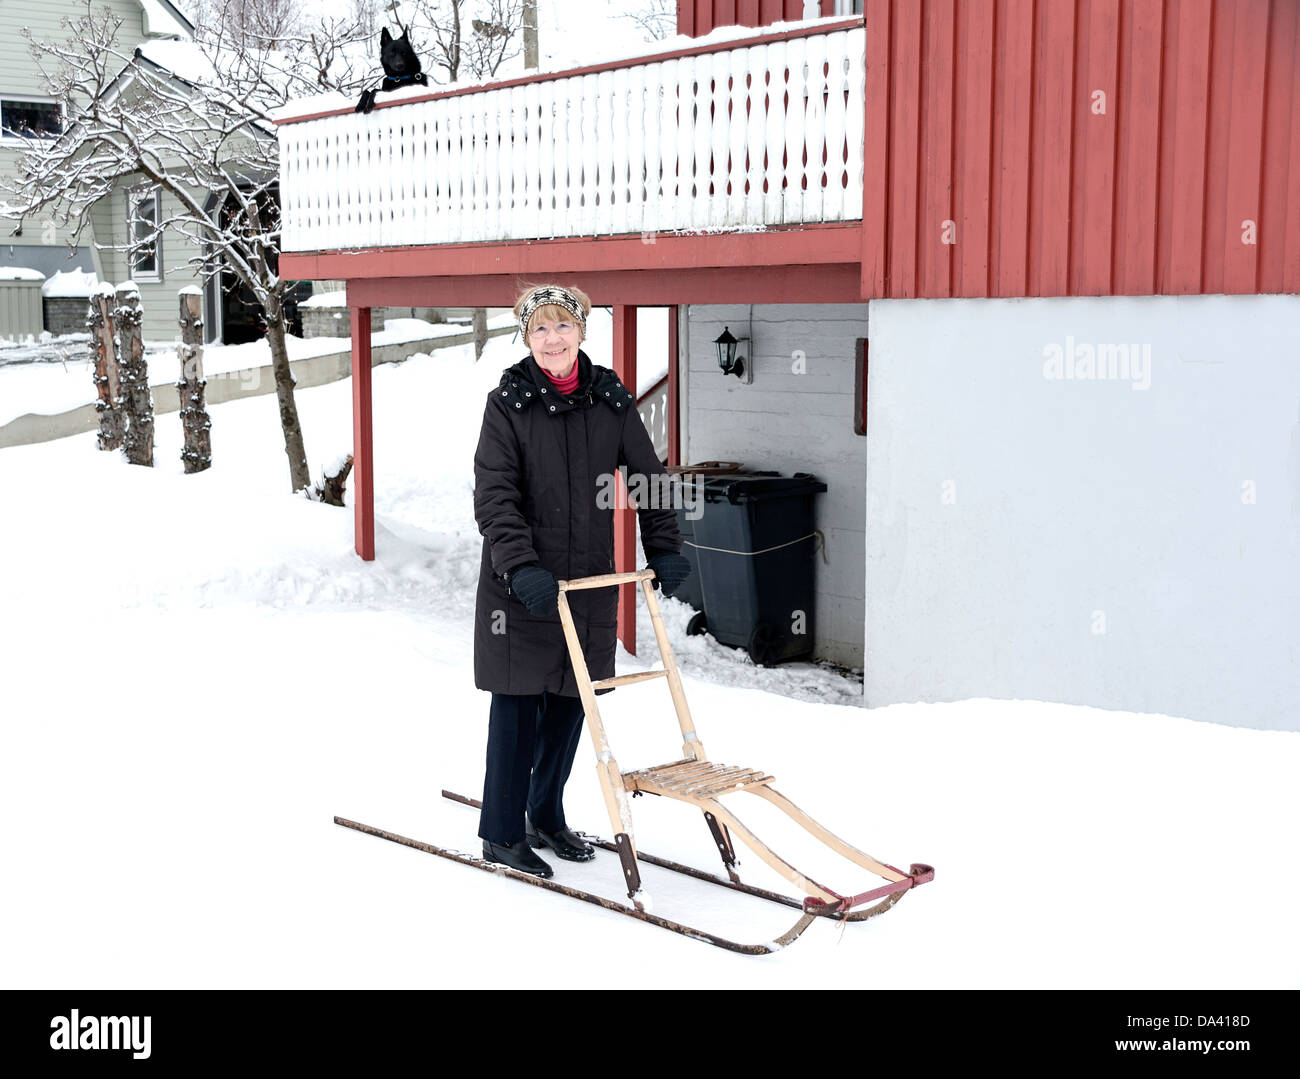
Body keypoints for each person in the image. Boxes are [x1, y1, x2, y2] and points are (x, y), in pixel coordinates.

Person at [472, 284, 691, 878]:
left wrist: (665, 549)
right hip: (522, 585)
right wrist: (519, 565)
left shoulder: (610, 402)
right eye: (539, 328)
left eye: (562, 326)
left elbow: (651, 477)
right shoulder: (508, 404)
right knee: (517, 709)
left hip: (588, 583)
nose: (552, 339)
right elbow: (494, 497)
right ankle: (500, 831)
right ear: (526, 338)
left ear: (581, 333)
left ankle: (544, 815)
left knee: (574, 704)